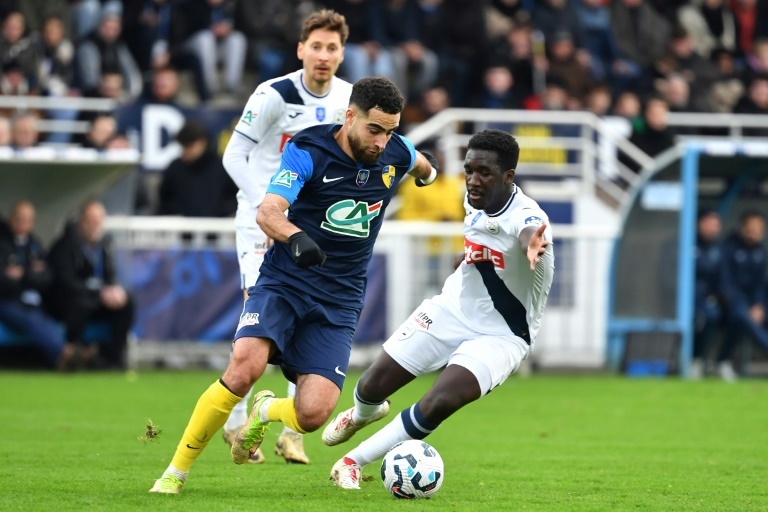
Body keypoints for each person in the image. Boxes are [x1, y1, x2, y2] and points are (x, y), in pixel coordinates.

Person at [149, 76, 440, 494]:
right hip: (286, 281)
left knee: (313, 415)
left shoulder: (396, 150)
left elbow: (425, 167)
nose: (381, 141)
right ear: (350, 116)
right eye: (374, 130)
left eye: (390, 131)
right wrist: (295, 237)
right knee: (245, 365)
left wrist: (428, 172)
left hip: (339, 300)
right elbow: (268, 211)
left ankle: (267, 411)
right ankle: (175, 472)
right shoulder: (308, 149)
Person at [322, 129, 555, 490]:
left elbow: (527, 233)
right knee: (371, 385)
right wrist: (468, 258)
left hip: (503, 335)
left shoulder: (527, 217)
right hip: (450, 309)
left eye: (485, 173)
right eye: (469, 170)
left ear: (509, 177)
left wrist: (533, 244)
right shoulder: (473, 199)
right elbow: (484, 243)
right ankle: (362, 414)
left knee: (440, 400)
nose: (473, 181)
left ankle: (352, 462)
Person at [219, 9, 352, 466]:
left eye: (332, 47)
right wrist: (265, 205)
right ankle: (235, 420)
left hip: (312, 226)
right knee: (258, 314)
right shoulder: (273, 93)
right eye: (315, 45)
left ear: (341, 53)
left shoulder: (349, 100)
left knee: (307, 314)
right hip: (261, 219)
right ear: (300, 49)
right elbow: (235, 155)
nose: (323, 55)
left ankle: (291, 433)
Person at [47, 201, 134, 370]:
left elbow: (109, 275)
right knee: (82, 304)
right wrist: (98, 292)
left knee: (127, 302)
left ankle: (113, 358)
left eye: (98, 221)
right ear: (81, 221)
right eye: (90, 220)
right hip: (68, 301)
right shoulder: (65, 246)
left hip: (95, 299)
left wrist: (114, 290)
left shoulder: (104, 245)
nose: (94, 225)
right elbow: (65, 282)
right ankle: (72, 354)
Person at [0, 201, 83, 370]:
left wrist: (23, 274)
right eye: (19, 218)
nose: (23, 223)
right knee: (32, 318)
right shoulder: (2, 243)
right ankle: (64, 354)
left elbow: (46, 277)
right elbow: (4, 280)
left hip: (32, 301)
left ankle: (68, 353)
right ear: (10, 219)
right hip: (7, 302)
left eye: (27, 219)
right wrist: (30, 274)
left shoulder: (34, 244)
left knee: (48, 318)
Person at [715, 210, 768, 381]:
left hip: (753, 304)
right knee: (742, 318)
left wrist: (759, 304)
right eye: (751, 228)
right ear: (742, 228)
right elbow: (726, 283)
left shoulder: (759, 252)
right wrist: (746, 307)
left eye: (759, 229)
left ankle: (721, 361)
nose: (754, 233)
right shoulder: (728, 248)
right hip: (731, 303)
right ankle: (720, 361)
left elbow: (760, 284)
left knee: (746, 321)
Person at [157, 120, 237, 217]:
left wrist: (219, 212)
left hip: (216, 228)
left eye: (189, 146)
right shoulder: (175, 168)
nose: (185, 151)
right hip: (180, 229)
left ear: (202, 143)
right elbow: (164, 201)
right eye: (183, 146)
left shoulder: (222, 167)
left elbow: (234, 199)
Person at [690, 208, 724, 379]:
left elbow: (723, 279)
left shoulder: (718, 249)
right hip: (686, 299)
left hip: (708, 299)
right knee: (703, 317)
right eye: (709, 223)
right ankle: (693, 359)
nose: (712, 228)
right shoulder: (687, 243)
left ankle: (717, 362)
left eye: (715, 224)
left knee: (724, 315)